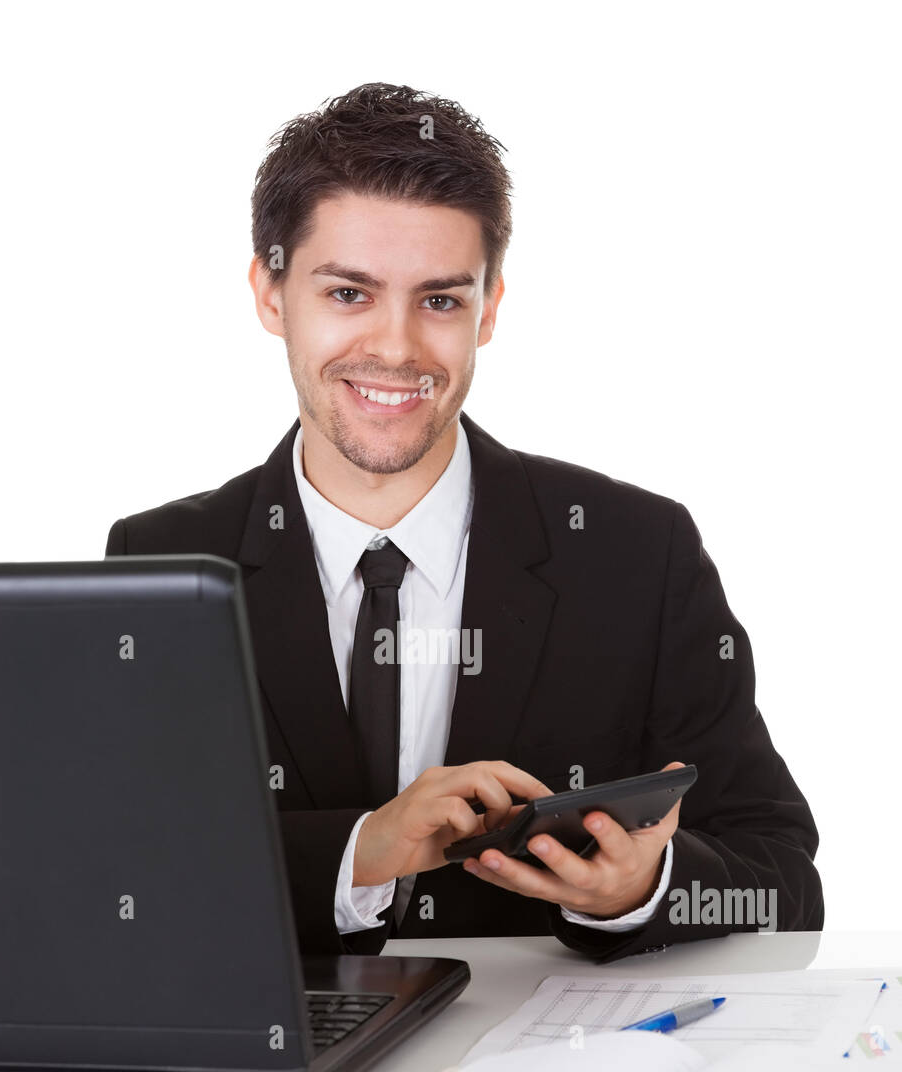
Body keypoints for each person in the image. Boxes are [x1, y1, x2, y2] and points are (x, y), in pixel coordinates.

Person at [106, 82, 823, 961]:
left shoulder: (639, 554)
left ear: (487, 309)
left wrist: (642, 890)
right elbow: (122, 883)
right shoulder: (164, 560)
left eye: (440, 300)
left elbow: (783, 879)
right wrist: (359, 851)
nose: (397, 348)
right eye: (348, 294)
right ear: (270, 292)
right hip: (285, 1071)